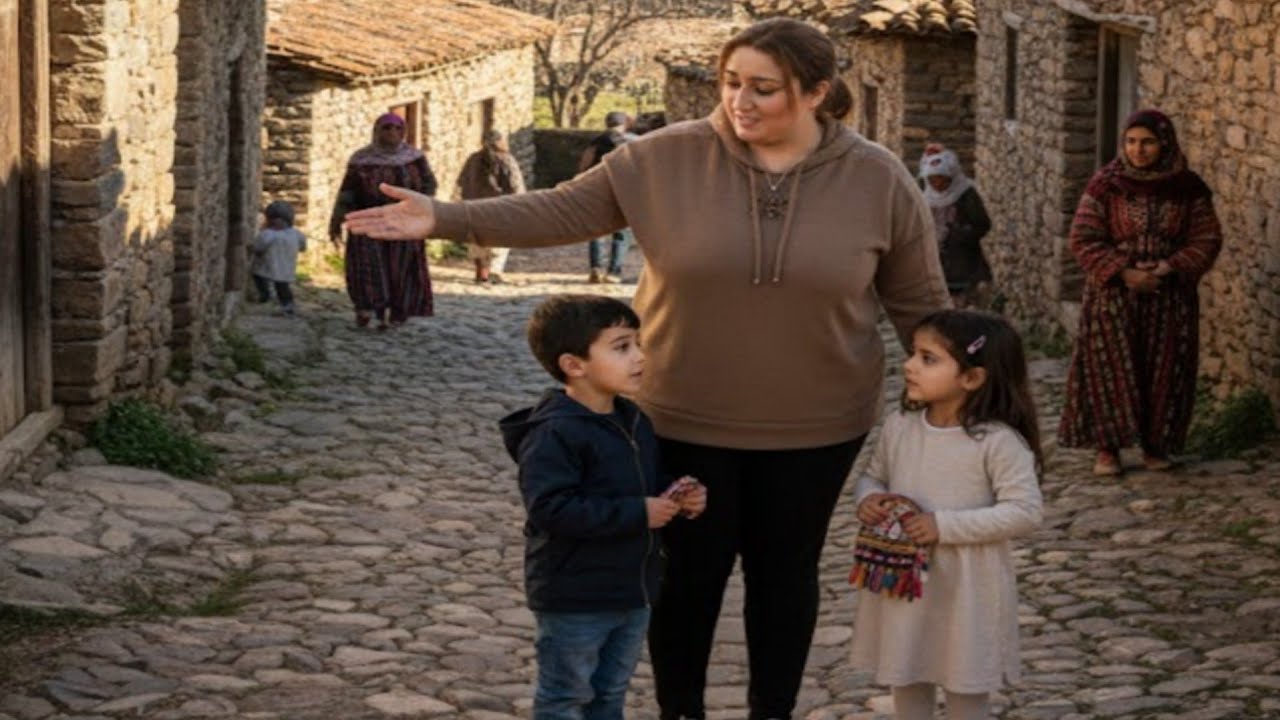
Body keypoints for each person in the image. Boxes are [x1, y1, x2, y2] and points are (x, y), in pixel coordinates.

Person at [345, 18, 950, 720]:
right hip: (681, 414)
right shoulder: (664, 160)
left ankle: (773, 712)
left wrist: (965, 395)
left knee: (786, 577)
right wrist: (444, 218)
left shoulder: (877, 178)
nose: (739, 103)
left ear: (816, 93)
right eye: (730, 85)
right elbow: (558, 210)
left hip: (818, 424)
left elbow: (920, 304)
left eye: (764, 89)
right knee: (689, 579)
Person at [500, 294, 707, 720]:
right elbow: (552, 508)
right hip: (575, 595)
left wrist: (677, 495)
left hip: (633, 590)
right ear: (573, 365)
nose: (639, 357)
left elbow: (645, 482)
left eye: (637, 343)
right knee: (566, 697)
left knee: (610, 694)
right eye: (621, 347)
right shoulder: (554, 433)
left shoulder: (633, 419)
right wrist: (638, 513)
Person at [851, 309, 1043, 720]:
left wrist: (944, 526)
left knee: (965, 681)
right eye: (914, 354)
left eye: (928, 358)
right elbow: (873, 477)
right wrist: (869, 500)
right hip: (907, 582)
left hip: (967, 589)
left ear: (972, 378)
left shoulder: (997, 443)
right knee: (908, 672)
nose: (909, 365)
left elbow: (1025, 511)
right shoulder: (900, 427)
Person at [1057, 109, 1222, 476]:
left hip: (1169, 297)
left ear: (1164, 142)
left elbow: (1206, 237)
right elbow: (1083, 238)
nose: (1139, 150)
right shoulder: (1106, 185)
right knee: (1109, 368)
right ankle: (1108, 448)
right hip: (1113, 297)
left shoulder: (1187, 188)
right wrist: (1124, 272)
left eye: (1147, 142)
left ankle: (1155, 445)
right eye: (1131, 142)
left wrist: (1170, 267)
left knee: (1165, 369)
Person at [329, 112, 437, 329]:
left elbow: (429, 185)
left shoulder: (414, 158)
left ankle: (397, 312)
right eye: (386, 128)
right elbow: (347, 193)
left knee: (401, 268)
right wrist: (336, 221)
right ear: (377, 131)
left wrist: (420, 208)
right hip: (368, 220)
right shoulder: (361, 160)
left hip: (404, 221)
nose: (392, 133)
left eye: (397, 129)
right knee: (368, 268)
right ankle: (369, 310)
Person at [918, 145, 992, 308]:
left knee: (964, 307)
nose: (936, 183)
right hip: (935, 260)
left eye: (940, 178)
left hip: (964, 262)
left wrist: (961, 234)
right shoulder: (925, 197)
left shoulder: (965, 194)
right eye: (932, 179)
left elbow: (983, 224)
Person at [456, 129, 526, 284]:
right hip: (499, 208)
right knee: (499, 242)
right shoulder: (507, 160)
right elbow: (516, 186)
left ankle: (481, 273)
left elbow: (461, 182)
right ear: (500, 141)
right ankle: (494, 271)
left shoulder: (472, 159)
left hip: (474, 207)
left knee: (477, 241)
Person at [578, 111, 638, 284]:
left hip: (598, 190)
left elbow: (584, 165)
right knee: (621, 233)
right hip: (624, 191)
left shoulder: (597, 142)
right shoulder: (632, 141)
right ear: (624, 124)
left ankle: (595, 268)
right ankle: (613, 272)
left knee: (595, 231)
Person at [251, 200, 307, 316]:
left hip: (268, 264)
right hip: (286, 265)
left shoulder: (268, 234)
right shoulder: (296, 234)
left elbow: (258, 247)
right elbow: (303, 247)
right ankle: (285, 303)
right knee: (282, 285)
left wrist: (254, 250)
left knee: (264, 278)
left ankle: (268, 296)